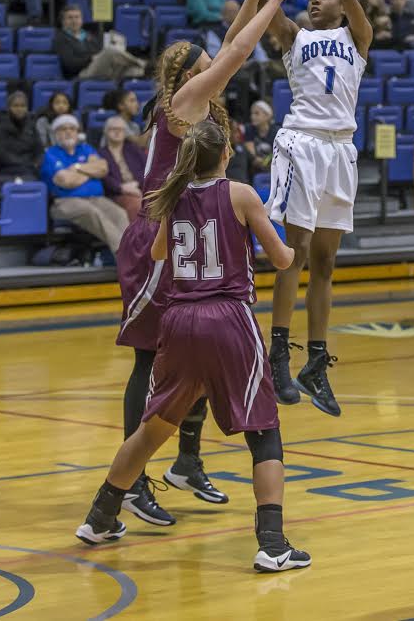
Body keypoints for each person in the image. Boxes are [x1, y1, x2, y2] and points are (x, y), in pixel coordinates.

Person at [112, 0, 302, 527]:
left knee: (196, 344)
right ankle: (131, 483)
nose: (215, 62)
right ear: (190, 75)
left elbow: (226, 44)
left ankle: (186, 461)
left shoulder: (185, 100)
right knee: (152, 359)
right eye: (206, 63)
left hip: (181, 226)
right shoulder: (186, 104)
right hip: (156, 238)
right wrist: (274, 3)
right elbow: (238, 50)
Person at [75, 120, 308, 573]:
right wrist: (293, 245)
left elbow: (160, 254)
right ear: (225, 155)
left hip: (178, 320)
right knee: (263, 430)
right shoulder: (241, 194)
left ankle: (100, 517)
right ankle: (273, 544)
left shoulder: (172, 196)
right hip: (228, 317)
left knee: (153, 428)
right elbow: (282, 261)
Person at [259, 0, 371, 419]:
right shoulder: (295, 39)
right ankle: (279, 352)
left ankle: (316, 363)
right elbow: (270, 9)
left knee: (326, 260)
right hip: (302, 143)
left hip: (340, 149)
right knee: (295, 250)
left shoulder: (357, 38)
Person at [41, 115, 129, 252]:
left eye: (72, 128)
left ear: (78, 132)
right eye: (63, 129)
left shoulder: (86, 148)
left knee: (120, 213)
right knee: (93, 213)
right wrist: (89, 172)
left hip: (95, 198)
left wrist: (76, 168)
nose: (68, 132)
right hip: (65, 201)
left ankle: (132, 253)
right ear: (56, 134)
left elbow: (103, 168)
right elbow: (66, 181)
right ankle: (124, 254)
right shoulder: (51, 154)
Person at [55, 5, 145, 80]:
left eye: (77, 17)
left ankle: (144, 67)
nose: (74, 21)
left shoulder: (89, 36)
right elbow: (70, 64)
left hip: (101, 69)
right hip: (81, 74)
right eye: (70, 18)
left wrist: (97, 57)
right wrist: (91, 58)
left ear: (81, 20)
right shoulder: (61, 38)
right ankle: (143, 63)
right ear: (63, 21)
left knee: (136, 70)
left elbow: (99, 52)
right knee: (109, 51)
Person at [0, 90, 43, 193]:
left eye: (23, 106)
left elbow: (39, 151)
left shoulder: (32, 127)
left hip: (28, 171)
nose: (19, 109)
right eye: (15, 106)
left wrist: (35, 165)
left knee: (39, 187)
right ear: (8, 108)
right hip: (4, 171)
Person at [99, 115, 147, 221]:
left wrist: (137, 184)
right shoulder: (101, 153)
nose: (117, 132)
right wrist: (121, 188)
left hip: (140, 189)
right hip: (117, 194)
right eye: (113, 129)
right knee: (137, 204)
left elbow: (148, 169)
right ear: (106, 132)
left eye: (121, 129)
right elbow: (104, 177)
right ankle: (136, 237)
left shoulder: (134, 149)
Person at [244, 100, 277, 173]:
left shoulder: (276, 131)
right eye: (251, 114)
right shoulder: (249, 129)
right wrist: (258, 160)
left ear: (267, 115)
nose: (252, 117)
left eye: (256, 113)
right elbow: (252, 156)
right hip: (255, 170)